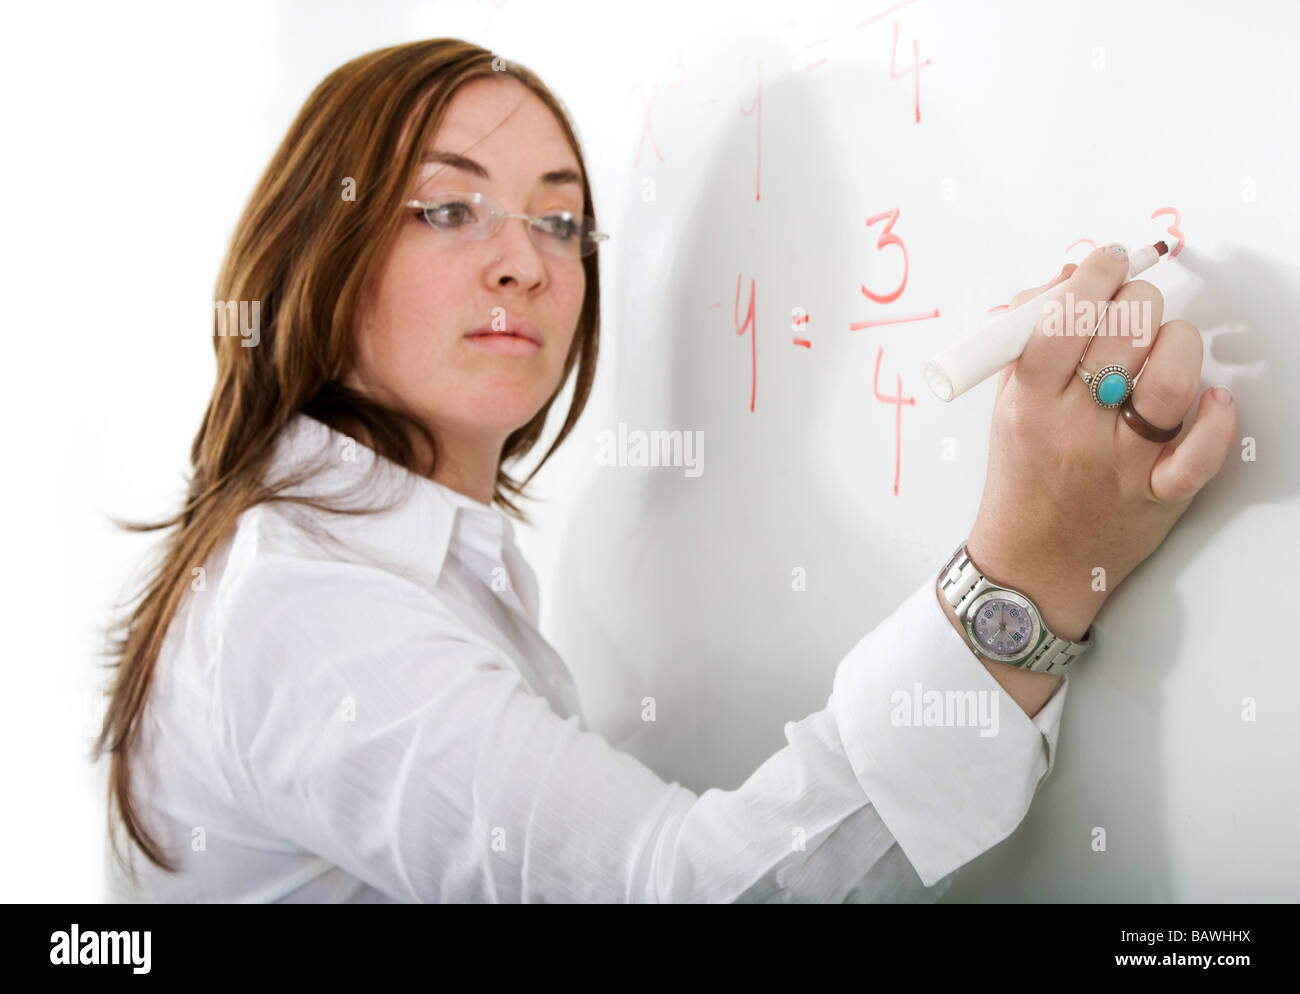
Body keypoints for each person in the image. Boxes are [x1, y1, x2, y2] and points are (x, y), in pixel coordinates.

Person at [94, 39, 1236, 903]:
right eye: (448, 208)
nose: (522, 263)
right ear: (314, 251)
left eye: (559, 222)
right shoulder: (307, 606)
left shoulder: (397, 563)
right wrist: (1026, 576)